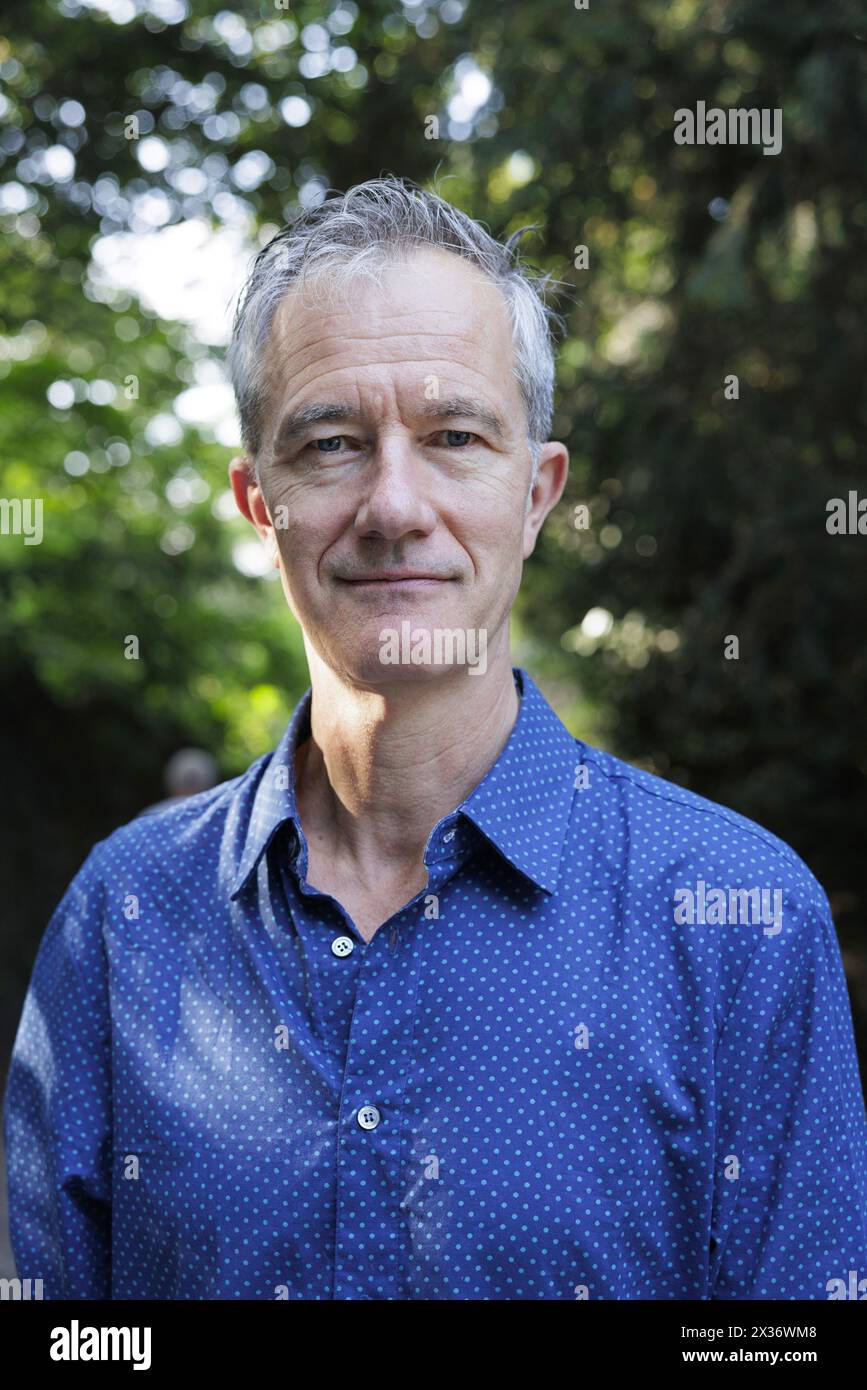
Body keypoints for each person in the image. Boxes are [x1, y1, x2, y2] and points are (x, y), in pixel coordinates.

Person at [5, 177, 865, 1300]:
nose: (395, 505)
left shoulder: (740, 923)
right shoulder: (123, 920)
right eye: (331, 443)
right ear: (259, 501)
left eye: (455, 435)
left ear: (537, 494)